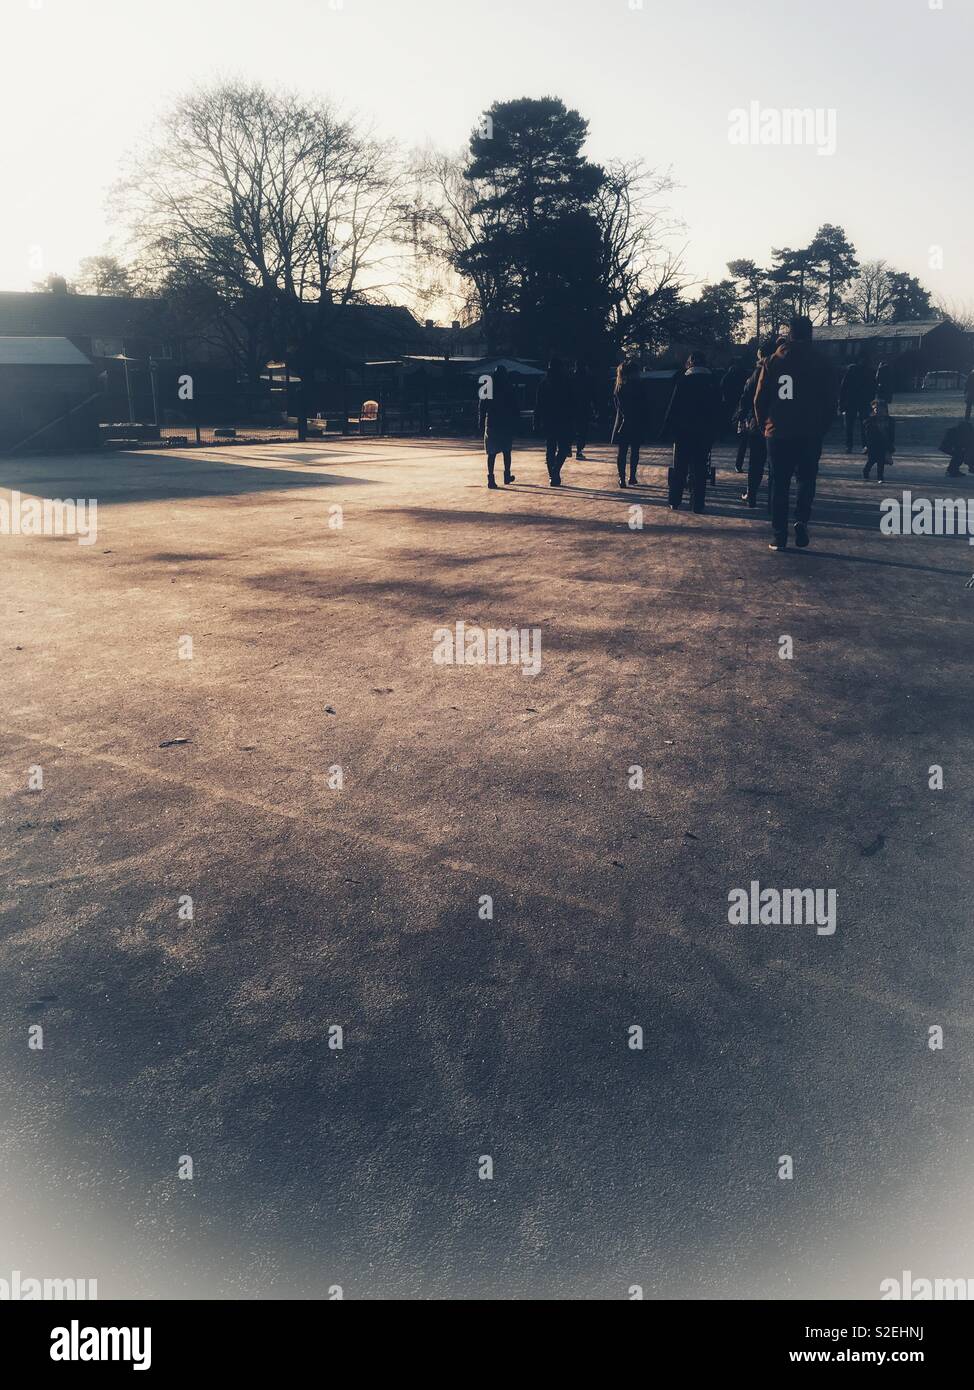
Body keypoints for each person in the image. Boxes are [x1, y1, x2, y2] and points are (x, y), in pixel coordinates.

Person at [754, 315, 836, 551]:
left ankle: (779, 534)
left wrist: (764, 426)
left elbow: (759, 399)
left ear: (790, 334)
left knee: (779, 484)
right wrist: (822, 427)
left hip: (779, 431)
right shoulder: (823, 362)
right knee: (806, 479)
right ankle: (801, 519)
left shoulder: (772, 362)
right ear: (810, 334)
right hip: (810, 430)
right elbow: (831, 400)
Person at [662, 351, 722, 513]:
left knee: (680, 466)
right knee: (700, 467)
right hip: (704, 432)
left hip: (683, 431)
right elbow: (719, 409)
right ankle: (698, 504)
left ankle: (675, 500)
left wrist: (666, 428)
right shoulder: (713, 382)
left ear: (690, 363)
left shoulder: (683, 381)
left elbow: (673, 407)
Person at [735, 341, 774, 509]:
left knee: (755, 462)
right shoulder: (781, 372)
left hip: (757, 423)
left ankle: (751, 494)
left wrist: (740, 417)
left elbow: (746, 396)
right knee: (775, 463)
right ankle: (774, 498)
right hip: (776, 422)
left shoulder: (756, 373)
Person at [478, 363, 518, 489]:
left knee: (492, 453)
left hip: (492, 423)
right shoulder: (508, 387)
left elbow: (482, 406)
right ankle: (507, 475)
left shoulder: (488, 388)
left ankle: (491, 478)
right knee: (507, 451)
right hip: (505, 423)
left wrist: (480, 420)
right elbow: (514, 406)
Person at [535, 358, 573, 487]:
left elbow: (538, 405)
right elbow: (573, 403)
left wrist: (536, 421)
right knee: (563, 448)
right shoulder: (567, 382)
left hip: (548, 420)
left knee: (550, 448)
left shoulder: (544, 383)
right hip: (564, 419)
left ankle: (552, 474)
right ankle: (555, 471)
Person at [611, 360, 649, 487]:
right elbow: (645, 405)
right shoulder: (640, 386)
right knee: (634, 451)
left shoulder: (619, 386)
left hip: (623, 421)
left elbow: (618, 406)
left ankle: (622, 478)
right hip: (636, 421)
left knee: (622, 452)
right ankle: (632, 476)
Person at [838, 356, 872, 453]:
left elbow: (843, 388)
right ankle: (865, 446)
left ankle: (849, 446)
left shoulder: (850, 372)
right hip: (863, 401)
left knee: (849, 425)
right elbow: (871, 388)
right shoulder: (868, 372)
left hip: (851, 402)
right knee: (864, 425)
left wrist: (841, 404)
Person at [862, 399, 895, 482]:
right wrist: (866, 445)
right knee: (871, 461)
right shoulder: (869, 421)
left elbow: (891, 434)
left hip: (883, 444)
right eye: (876, 409)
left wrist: (890, 446)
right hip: (873, 444)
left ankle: (880, 477)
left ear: (885, 410)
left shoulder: (889, 421)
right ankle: (866, 471)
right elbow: (867, 435)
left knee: (881, 462)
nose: (879, 411)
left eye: (881, 409)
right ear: (874, 410)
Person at [721, 359, 751, 442]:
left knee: (728, 416)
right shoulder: (744, 374)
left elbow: (723, 385)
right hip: (739, 397)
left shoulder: (728, 375)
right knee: (739, 416)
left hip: (730, 399)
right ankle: (739, 433)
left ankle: (727, 433)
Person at [571, 362, 595, 460]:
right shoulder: (588, 379)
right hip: (584, 408)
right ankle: (579, 450)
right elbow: (592, 394)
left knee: (572, 429)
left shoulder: (572, 377)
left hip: (572, 408)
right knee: (583, 431)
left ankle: (567, 448)